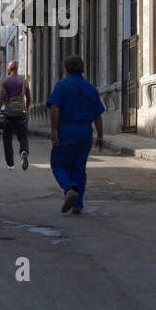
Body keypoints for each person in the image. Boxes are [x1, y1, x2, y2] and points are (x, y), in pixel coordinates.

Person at [47, 54, 104, 215]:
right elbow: (98, 115)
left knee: (58, 163)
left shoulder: (62, 86)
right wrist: (100, 136)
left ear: (66, 69)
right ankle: (78, 204)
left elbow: (54, 108)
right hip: (85, 131)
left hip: (66, 130)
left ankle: (69, 188)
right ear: (82, 68)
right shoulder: (90, 88)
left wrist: (54, 130)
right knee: (79, 167)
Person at [0, 60, 32, 170]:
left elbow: (1, 99)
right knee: (23, 137)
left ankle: (10, 164)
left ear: (9, 69)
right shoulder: (24, 81)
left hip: (9, 114)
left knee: (7, 139)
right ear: (17, 68)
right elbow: (29, 98)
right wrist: (27, 108)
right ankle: (24, 151)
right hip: (21, 113)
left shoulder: (5, 81)